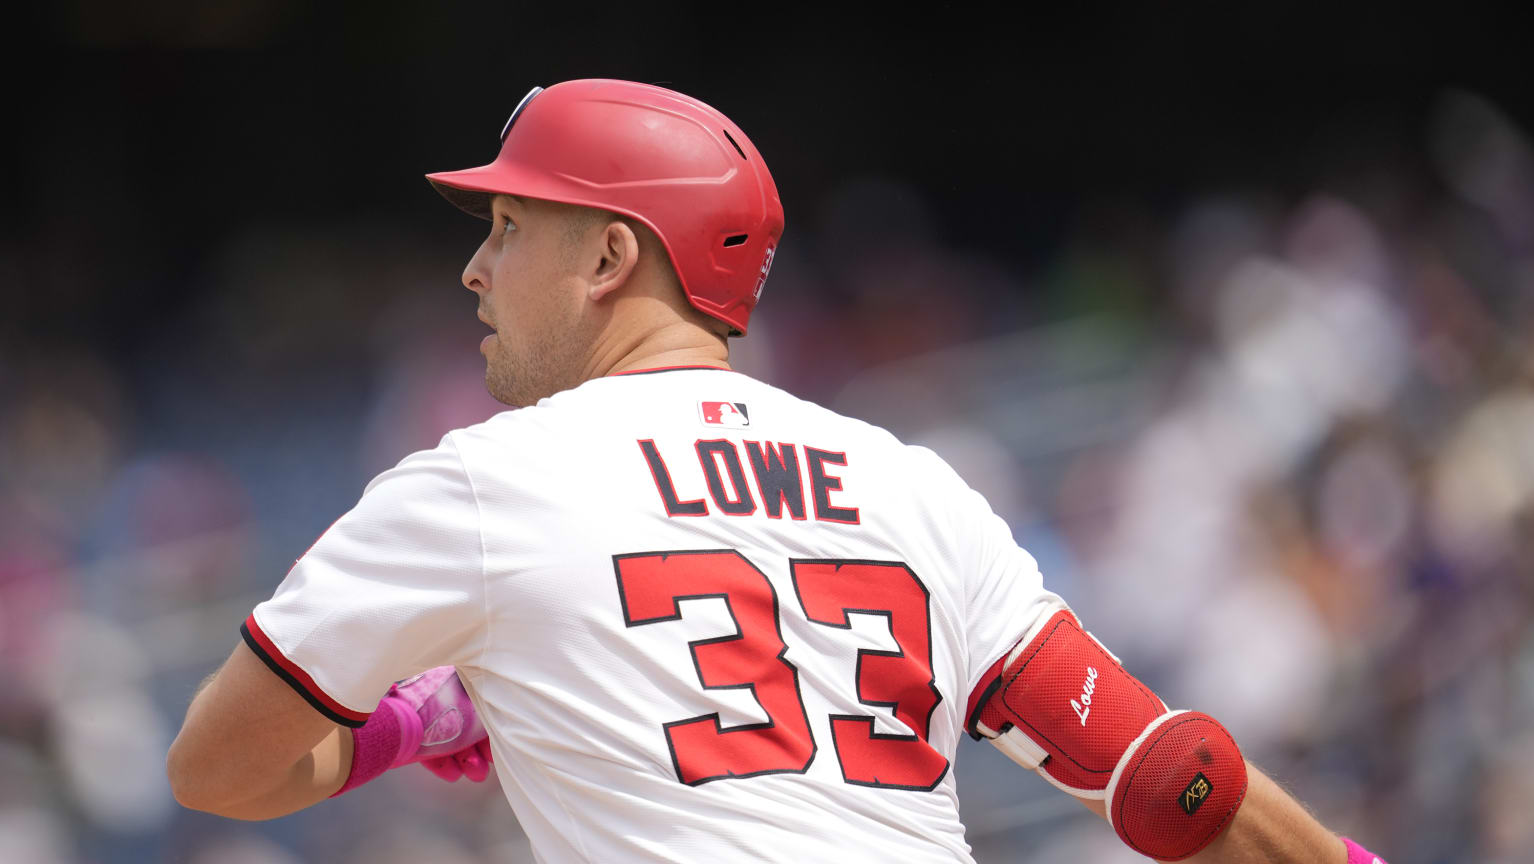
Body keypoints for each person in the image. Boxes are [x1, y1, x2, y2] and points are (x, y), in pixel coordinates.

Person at [166, 79, 1387, 863]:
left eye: (509, 227)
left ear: (609, 257)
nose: (476, 270)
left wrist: (405, 722)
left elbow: (215, 771)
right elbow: (1168, 777)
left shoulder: (483, 485)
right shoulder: (911, 483)